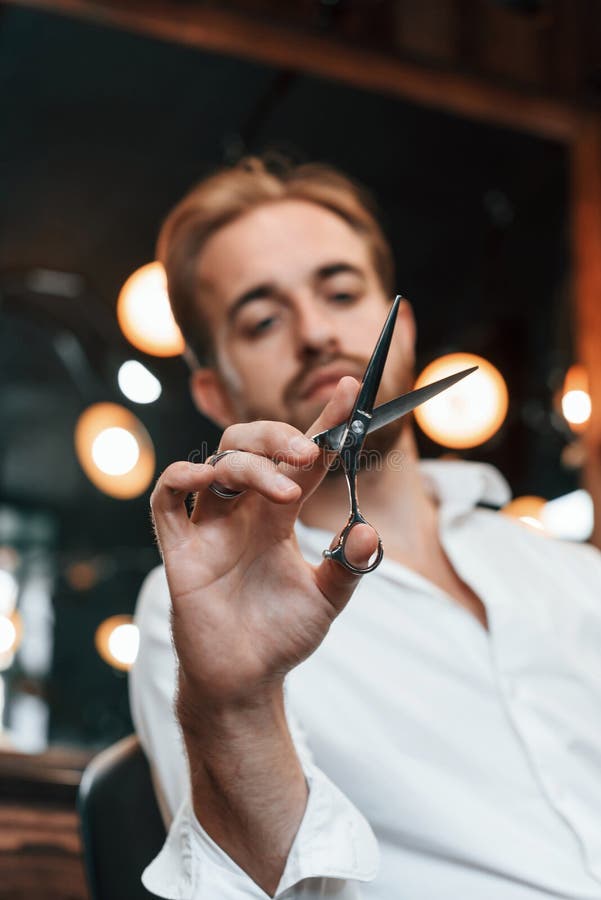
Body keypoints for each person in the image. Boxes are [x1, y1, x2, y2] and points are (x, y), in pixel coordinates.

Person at [130, 157, 601, 900]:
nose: (316, 333)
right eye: (262, 319)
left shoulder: (572, 574)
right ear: (215, 391)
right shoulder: (194, 613)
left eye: (341, 292)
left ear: (401, 326)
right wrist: (238, 710)